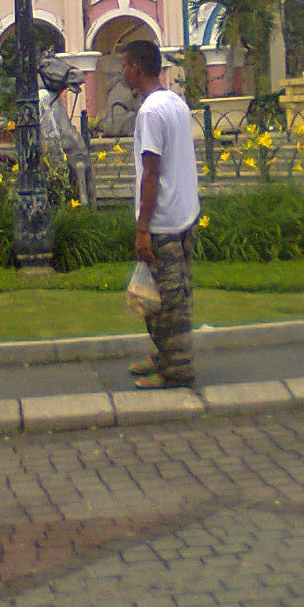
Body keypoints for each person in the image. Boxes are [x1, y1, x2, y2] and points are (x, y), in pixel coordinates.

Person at [122, 39, 201, 389]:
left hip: (164, 222)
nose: (122, 71)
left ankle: (177, 370)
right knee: (164, 294)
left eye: (124, 64)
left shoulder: (151, 112)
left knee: (167, 301)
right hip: (184, 215)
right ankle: (163, 356)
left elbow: (151, 172)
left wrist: (143, 228)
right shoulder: (175, 102)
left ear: (136, 68)